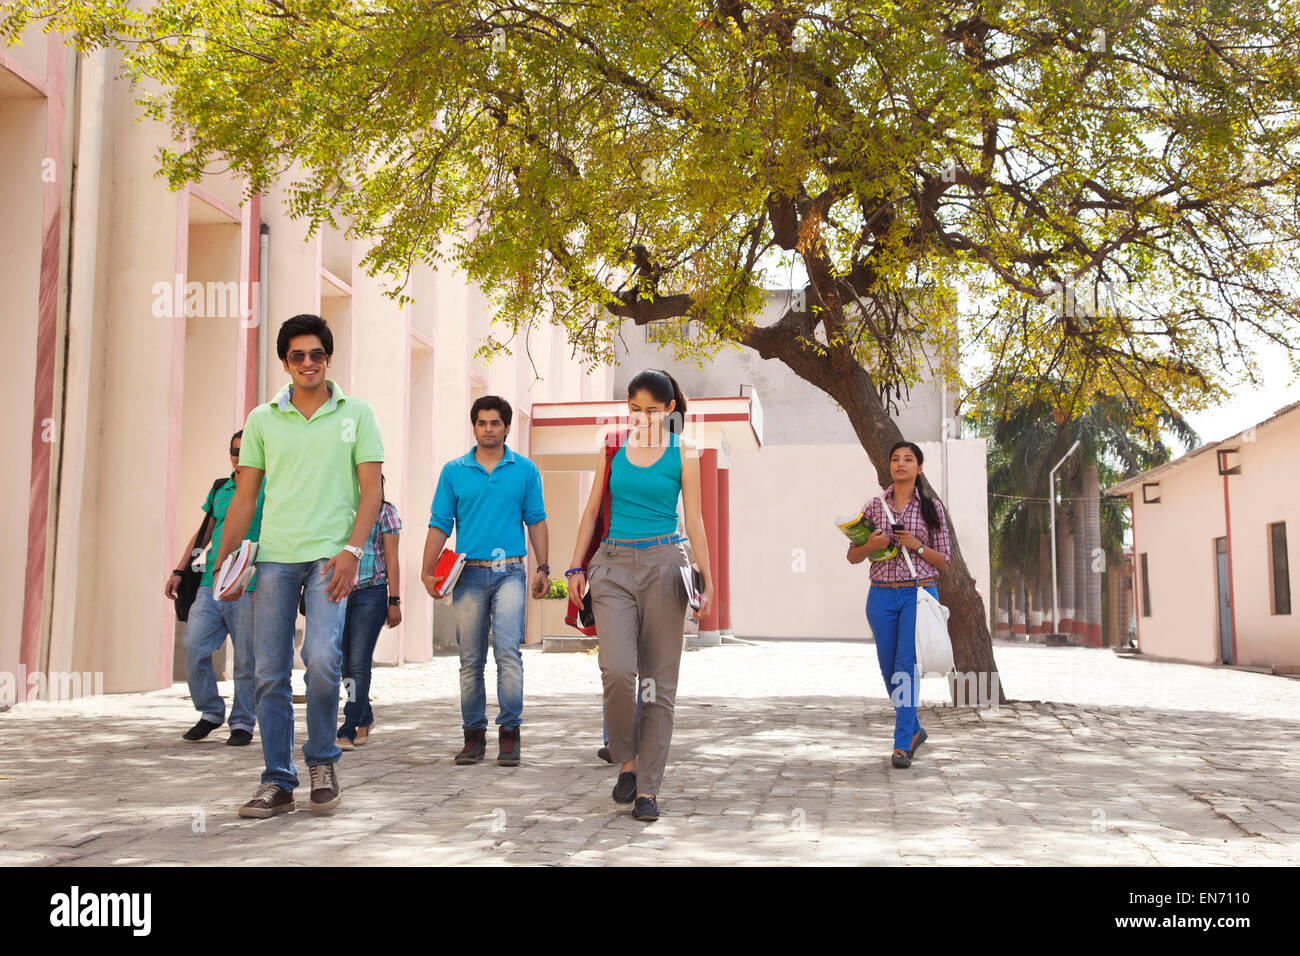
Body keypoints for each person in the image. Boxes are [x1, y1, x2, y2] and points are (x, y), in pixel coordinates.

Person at [216, 313, 385, 818]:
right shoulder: (263, 418)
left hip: (331, 560)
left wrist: (353, 552)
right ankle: (277, 780)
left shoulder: (357, 413)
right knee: (269, 672)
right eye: (297, 355)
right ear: (285, 362)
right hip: (273, 560)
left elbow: (372, 491)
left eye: (316, 354)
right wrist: (223, 563)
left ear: (328, 358)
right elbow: (245, 498)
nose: (308, 363)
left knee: (323, 662)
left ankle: (322, 761)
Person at [566, 369, 713, 821]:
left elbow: (696, 521)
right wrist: (575, 565)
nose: (642, 418)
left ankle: (647, 787)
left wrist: (706, 578)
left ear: (670, 410)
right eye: (634, 410)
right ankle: (625, 756)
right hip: (611, 566)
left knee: (658, 686)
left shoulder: (684, 454)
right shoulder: (612, 448)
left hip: (666, 565)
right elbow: (592, 510)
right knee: (617, 669)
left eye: (651, 410)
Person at [421, 396, 550, 767]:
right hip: (468, 574)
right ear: (474, 427)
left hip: (510, 570)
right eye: (482, 423)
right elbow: (440, 523)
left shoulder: (525, 470)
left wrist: (544, 567)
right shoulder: (454, 471)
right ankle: (472, 736)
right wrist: (426, 568)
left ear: (507, 428)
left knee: (508, 653)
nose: (488, 429)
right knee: (470, 659)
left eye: (495, 423)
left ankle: (510, 735)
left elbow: (537, 519)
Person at [847, 440, 952, 769]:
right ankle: (915, 728)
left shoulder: (932, 508)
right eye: (895, 459)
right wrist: (872, 544)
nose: (901, 464)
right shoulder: (874, 507)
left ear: (919, 468)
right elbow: (852, 556)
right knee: (888, 669)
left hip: (917, 594)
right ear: (889, 466)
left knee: (906, 666)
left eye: (909, 459)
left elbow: (944, 561)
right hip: (880, 595)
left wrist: (917, 545)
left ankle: (901, 743)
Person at [164, 430, 265, 746]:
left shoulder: (271, 487)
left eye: (244, 450)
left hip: (249, 583)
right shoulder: (221, 488)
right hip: (211, 582)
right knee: (194, 646)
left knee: (246, 659)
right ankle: (210, 712)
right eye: (234, 450)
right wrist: (181, 569)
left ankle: (243, 723)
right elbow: (204, 533)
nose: (238, 455)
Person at [336, 477, 403, 751]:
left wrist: (394, 600)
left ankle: (349, 726)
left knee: (359, 662)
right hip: (338, 592)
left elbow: (391, 559)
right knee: (343, 664)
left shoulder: (385, 512)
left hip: (371, 593)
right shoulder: (337, 510)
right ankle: (364, 715)